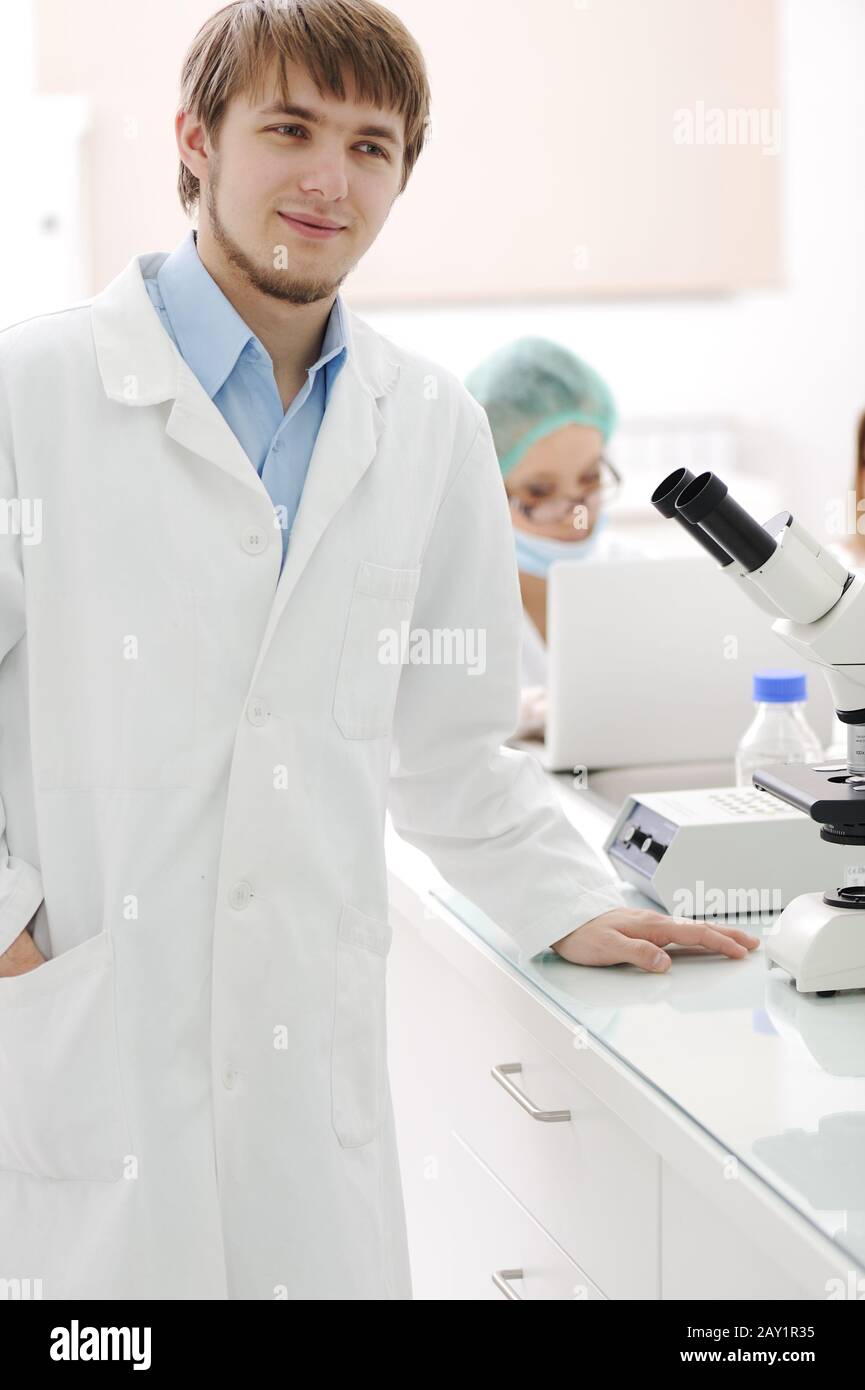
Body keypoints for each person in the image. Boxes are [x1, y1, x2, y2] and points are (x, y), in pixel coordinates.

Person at [0, 0, 757, 1301]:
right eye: (289, 128)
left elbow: (453, 749)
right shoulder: (37, 394)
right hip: (85, 1061)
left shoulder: (432, 428)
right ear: (196, 138)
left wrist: (572, 900)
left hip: (311, 1100)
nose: (328, 178)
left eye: (371, 145)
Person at [465, 338, 641, 736]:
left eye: (591, 478)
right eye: (539, 493)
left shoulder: (637, 572)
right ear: (486, 489)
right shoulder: (451, 597)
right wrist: (511, 717)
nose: (575, 514)